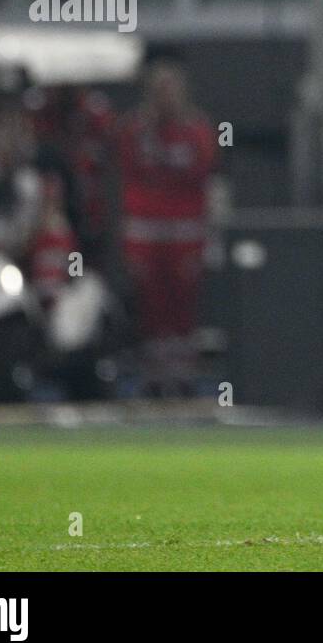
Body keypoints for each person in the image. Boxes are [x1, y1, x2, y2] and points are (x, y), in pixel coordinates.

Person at [118, 60, 216, 396]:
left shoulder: (197, 130)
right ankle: (155, 373)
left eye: (171, 89)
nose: (166, 97)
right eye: (160, 90)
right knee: (150, 305)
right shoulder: (135, 129)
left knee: (183, 304)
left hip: (184, 233)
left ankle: (183, 372)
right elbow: (127, 175)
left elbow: (204, 178)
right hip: (147, 232)